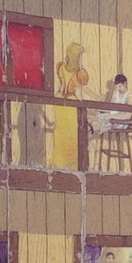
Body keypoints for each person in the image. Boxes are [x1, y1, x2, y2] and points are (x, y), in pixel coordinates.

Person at [51, 41, 89, 169]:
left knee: (63, 135)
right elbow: (85, 90)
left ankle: (61, 164)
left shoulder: (60, 66)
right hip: (70, 105)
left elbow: (61, 87)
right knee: (70, 136)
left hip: (60, 101)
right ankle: (70, 165)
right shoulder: (80, 73)